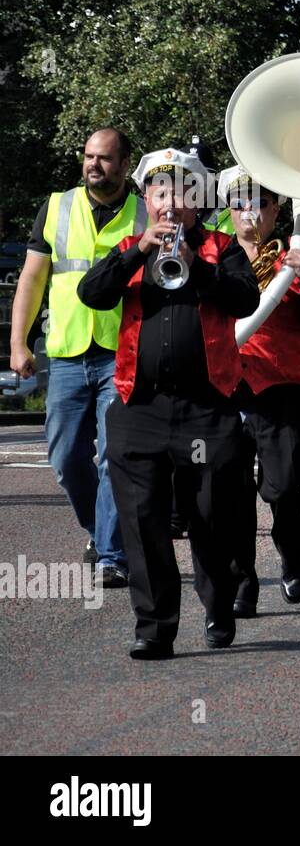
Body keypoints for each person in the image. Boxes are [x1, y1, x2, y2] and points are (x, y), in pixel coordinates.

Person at [77, 148, 260, 659]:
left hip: (206, 407)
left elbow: (244, 299)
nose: (169, 203)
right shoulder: (129, 247)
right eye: (159, 193)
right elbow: (92, 294)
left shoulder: (222, 247)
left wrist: (197, 267)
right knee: (142, 523)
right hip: (140, 406)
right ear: (148, 200)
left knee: (211, 517)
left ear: (197, 202)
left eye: (180, 193)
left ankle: (219, 604)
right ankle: (155, 628)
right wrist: (138, 250)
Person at [10, 128, 143, 587]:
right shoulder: (57, 206)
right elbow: (32, 279)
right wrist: (18, 342)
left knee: (114, 457)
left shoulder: (146, 212)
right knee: (66, 458)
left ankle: (111, 555)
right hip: (66, 351)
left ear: (125, 164)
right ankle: (99, 531)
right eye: (89, 156)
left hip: (123, 353)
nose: (93, 165)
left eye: (104, 158)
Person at [223, 167, 300, 616]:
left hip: (284, 390)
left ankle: (292, 552)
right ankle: (242, 583)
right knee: (230, 495)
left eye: (259, 202)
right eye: (238, 203)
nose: (248, 212)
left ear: (276, 210)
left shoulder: (297, 259)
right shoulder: (216, 261)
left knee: (285, 488)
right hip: (228, 389)